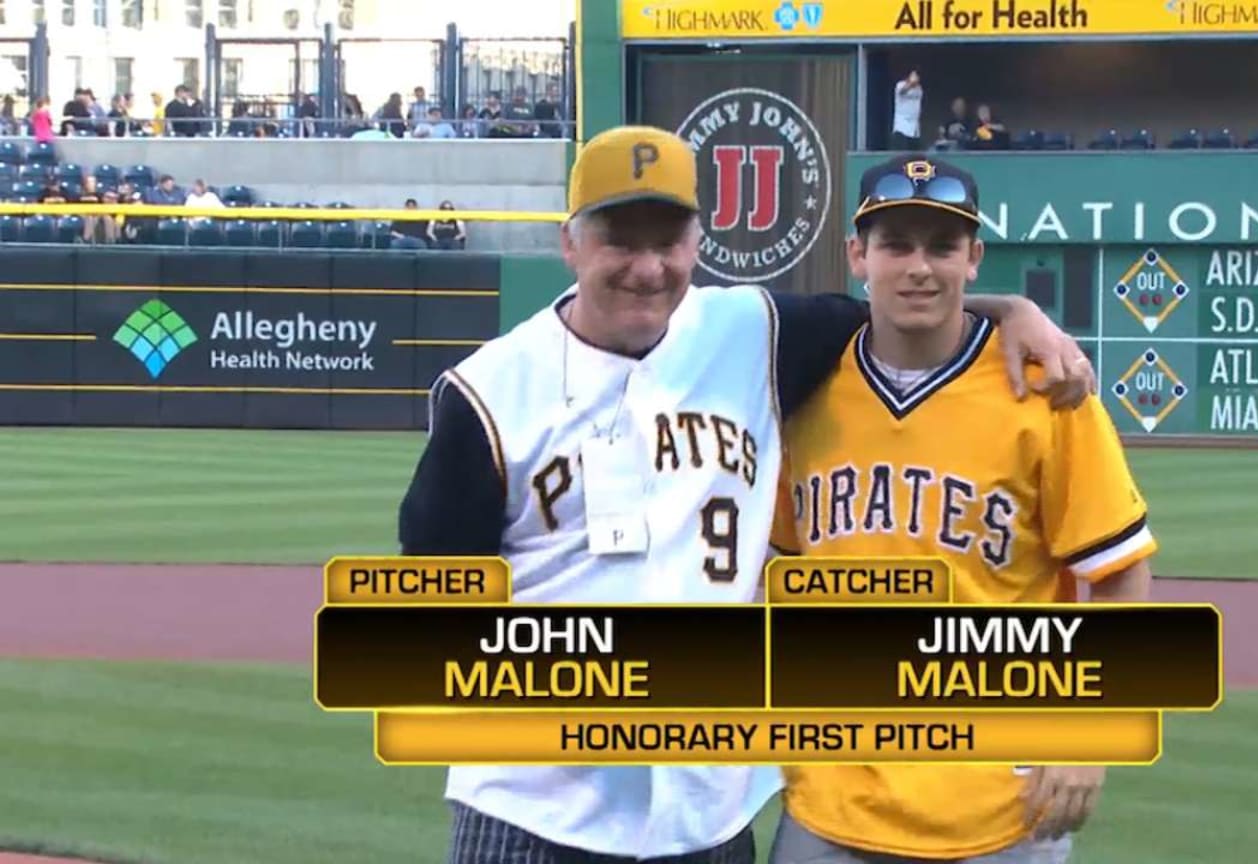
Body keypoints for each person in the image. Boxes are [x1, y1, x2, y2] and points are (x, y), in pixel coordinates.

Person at [395, 126, 1097, 864]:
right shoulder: (487, 394)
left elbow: (909, 308)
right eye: (619, 241)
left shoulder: (754, 331)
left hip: (706, 817)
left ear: (698, 243)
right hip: (533, 810)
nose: (647, 266)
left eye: (668, 241)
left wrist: (1013, 309)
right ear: (571, 244)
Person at [767, 155, 1157, 864]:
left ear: (973, 258)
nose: (920, 266)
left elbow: (1121, 572)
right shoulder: (802, 385)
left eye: (942, 246)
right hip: (830, 801)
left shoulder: (1049, 393)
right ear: (858, 255)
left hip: (1000, 808)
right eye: (895, 245)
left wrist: (1091, 734)